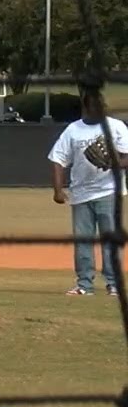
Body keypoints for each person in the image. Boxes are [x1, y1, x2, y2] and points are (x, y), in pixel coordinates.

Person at [47, 88, 128, 296]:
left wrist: (114, 162)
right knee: (83, 241)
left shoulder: (116, 127)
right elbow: (58, 159)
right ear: (86, 107)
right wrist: (58, 190)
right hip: (80, 193)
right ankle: (84, 284)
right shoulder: (73, 130)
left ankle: (113, 284)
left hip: (109, 191)